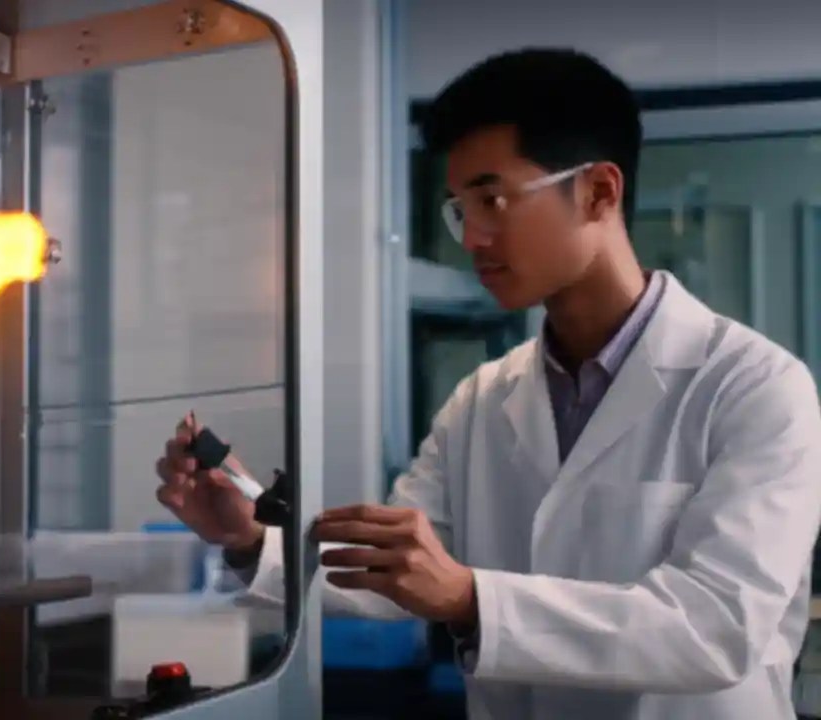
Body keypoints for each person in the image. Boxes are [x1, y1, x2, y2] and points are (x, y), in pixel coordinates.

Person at [155, 48, 821, 719]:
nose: (470, 237)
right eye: (459, 209)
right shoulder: (481, 399)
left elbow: (715, 628)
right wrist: (248, 536)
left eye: (494, 200)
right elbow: (398, 575)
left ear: (598, 191)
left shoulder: (756, 389)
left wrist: (472, 599)